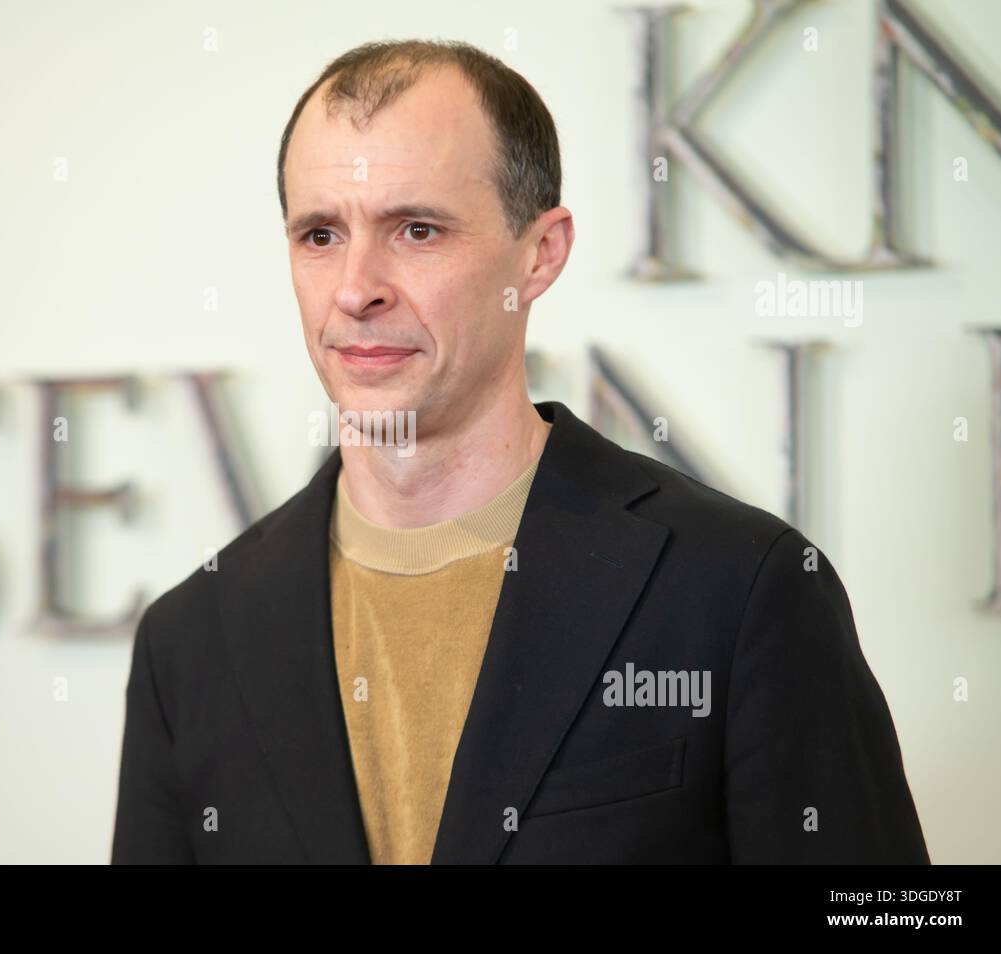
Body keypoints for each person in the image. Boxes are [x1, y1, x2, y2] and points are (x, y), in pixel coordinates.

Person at [111, 39, 929, 864]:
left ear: (540, 254)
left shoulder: (742, 591)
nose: (356, 289)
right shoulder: (191, 639)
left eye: (417, 229)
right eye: (320, 235)